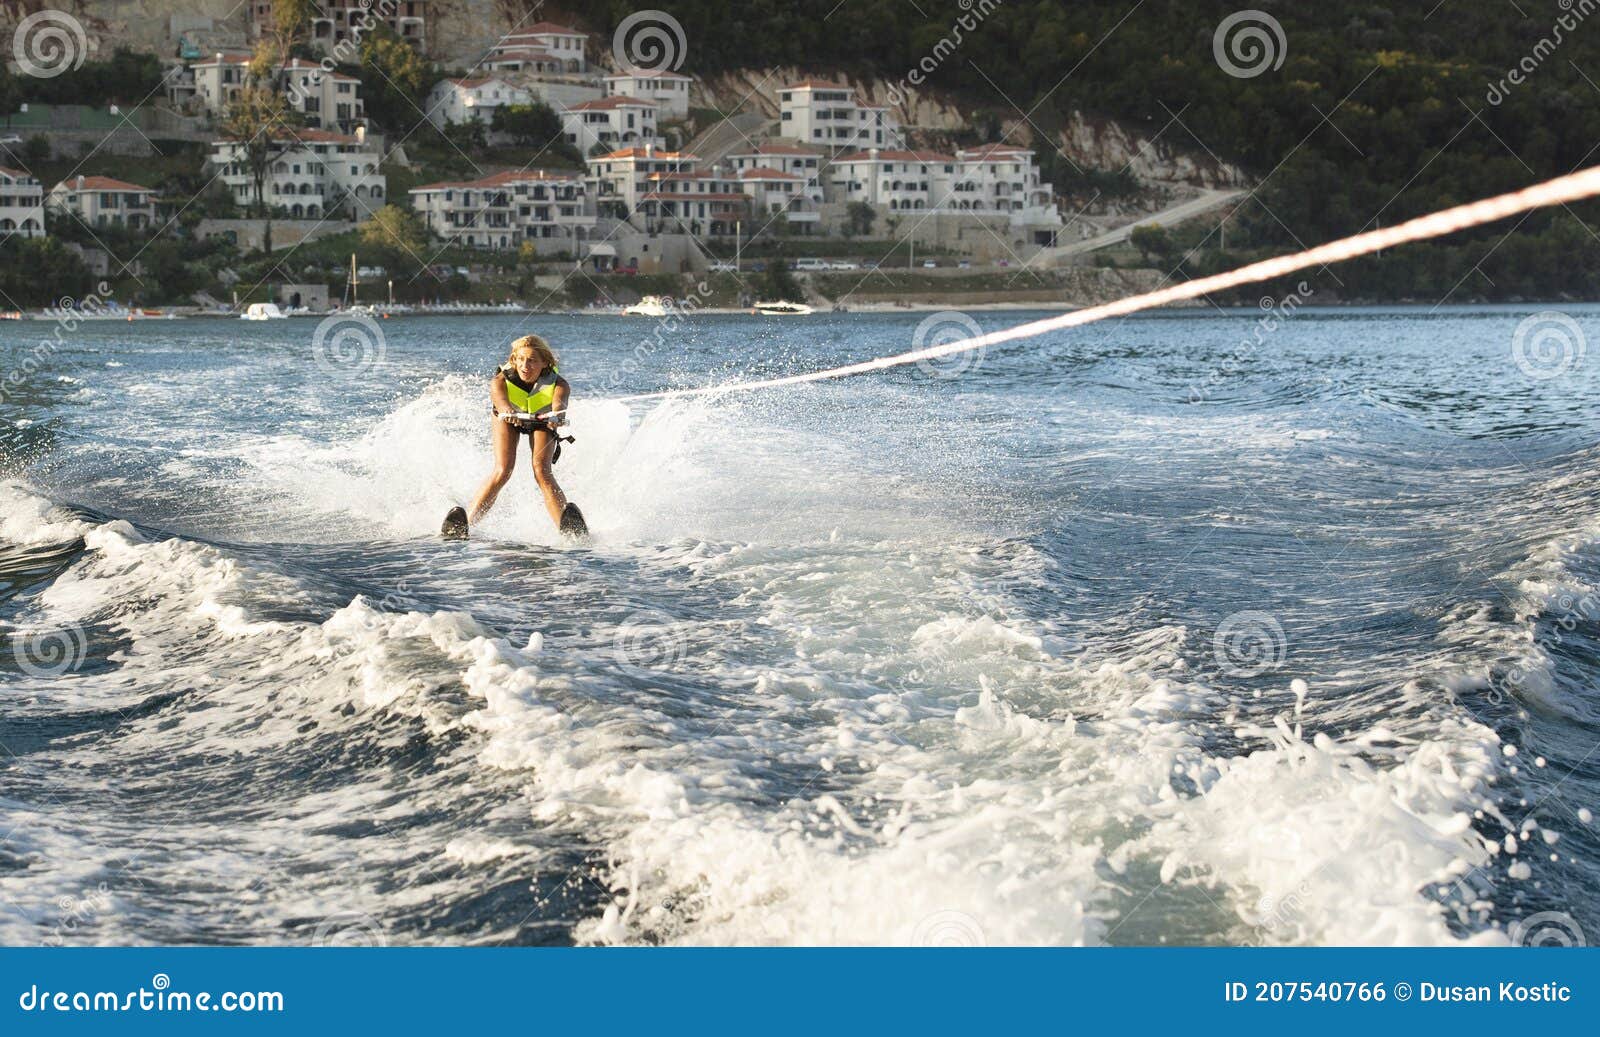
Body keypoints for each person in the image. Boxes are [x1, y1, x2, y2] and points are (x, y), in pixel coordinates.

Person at [443, 334, 586, 538]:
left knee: (541, 471)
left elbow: (559, 406)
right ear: (514, 360)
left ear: (545, 362)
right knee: (503, 470)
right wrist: (508, 411)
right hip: (507, 417)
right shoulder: (501, 379)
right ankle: (466, 525)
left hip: (542, 420)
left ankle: (568, 528)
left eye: (532, 360)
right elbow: (500, 401)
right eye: (520, 359)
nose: (525, 365)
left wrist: (556, 416)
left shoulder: (560, 384)